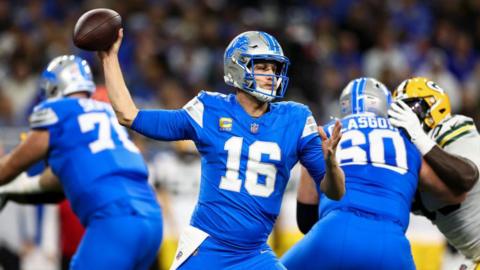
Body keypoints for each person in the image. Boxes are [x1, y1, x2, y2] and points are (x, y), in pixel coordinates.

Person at [99, 29, 345, 269]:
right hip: (207, 248)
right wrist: (109, 58)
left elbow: (335, 192)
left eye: (274, 68)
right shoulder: (209, 109)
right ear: (238, 68)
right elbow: (129, 115)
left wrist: (332, 164)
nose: (271, 75)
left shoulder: (296, 118)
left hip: (254, 253)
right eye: (261, 67)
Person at [281, 77, 466, 270]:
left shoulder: (326, 135)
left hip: (334, 231)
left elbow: (305, 219)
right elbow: (454, 196)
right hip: (391, 242)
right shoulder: (409, 141)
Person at [0, 55, 163, 270]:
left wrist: (11, 184)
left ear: (53, 87)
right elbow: (61, 178)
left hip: (115, 220)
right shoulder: (106, 112)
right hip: (152, 220)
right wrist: (24, 187)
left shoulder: (57, 112)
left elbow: (10, 167)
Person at [388, 76, 480, 269]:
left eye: (412, 108)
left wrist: (420, 137)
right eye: (398, 110)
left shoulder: (450, 128)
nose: (405, 117)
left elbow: (467, 177)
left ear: (435, 106)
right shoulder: (411, 159)